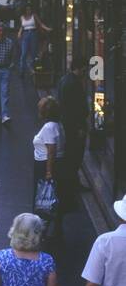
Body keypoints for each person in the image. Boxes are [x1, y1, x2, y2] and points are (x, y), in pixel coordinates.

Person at [57, 57, 88, 197]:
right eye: (84, 68)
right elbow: (74, 109)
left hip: (68, 124)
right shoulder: (73, 83)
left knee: (71, 154)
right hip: (74, 126)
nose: (85, 71)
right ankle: (71, 184)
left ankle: (72, 182)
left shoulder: (65, 80)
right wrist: (79, 127)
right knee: (75, 154)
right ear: (79, 68)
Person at [31, 96, 65, 213]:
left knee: (43, 195)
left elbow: (51, 150)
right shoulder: (56, 125)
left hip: (44, 164)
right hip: (49, 163)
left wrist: (48, 172)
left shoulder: (49, 127)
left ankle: (42, 220)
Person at [17, 2, 52, 80]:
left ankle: (34, 71)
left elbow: (40, 24)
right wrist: (19, 33)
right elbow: (22, 27)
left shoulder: (34, 16)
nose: (28, 11)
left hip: (33, 33)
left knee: (33, 53)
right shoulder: (22, 17)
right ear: (24, 10)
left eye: (29, 9)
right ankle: (21, 72)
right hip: (25, 35)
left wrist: (47, 29)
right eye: (27, 10)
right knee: (23, 53)